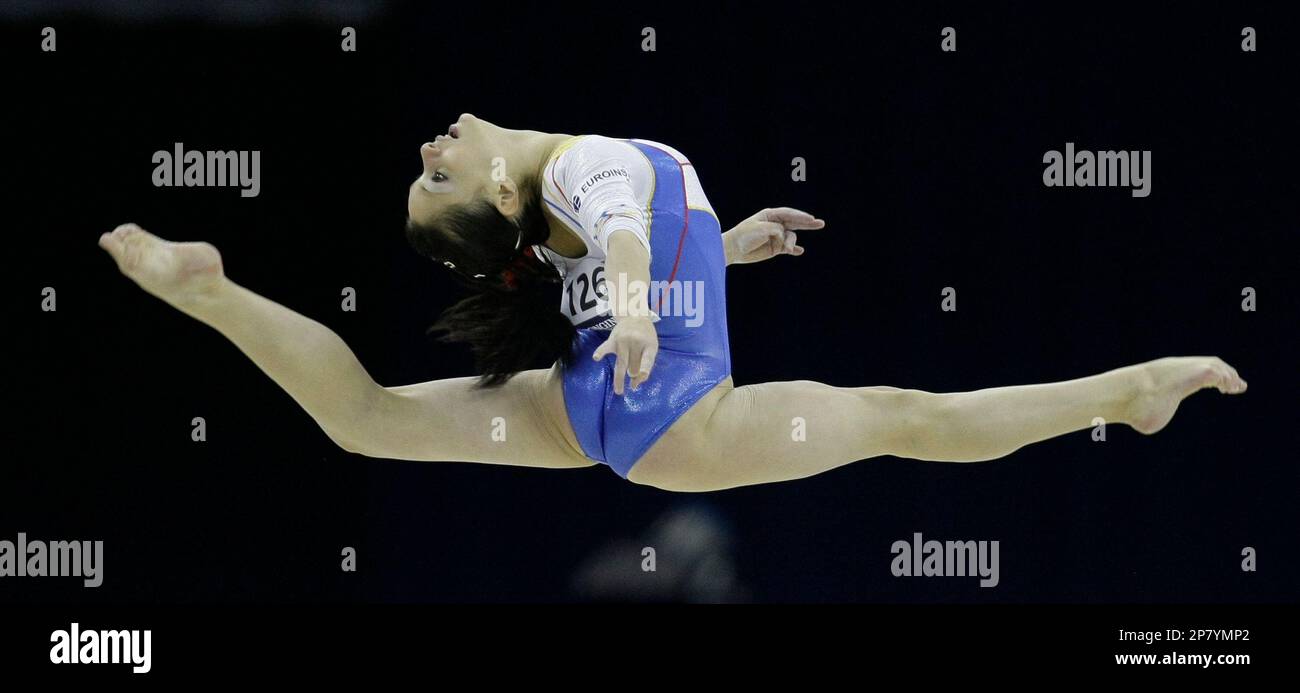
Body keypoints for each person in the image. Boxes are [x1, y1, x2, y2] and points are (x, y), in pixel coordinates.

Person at [98, 113, 1247, 492]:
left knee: (368, 420)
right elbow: (625, 233)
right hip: (665, 403)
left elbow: (619, 250)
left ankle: (209, 296)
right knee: (909, 417)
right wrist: (649, 303)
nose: (429, 145)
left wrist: (717, 252)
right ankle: (1134, 392)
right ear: (497, 189)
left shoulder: (546, 204)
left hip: (591, 405)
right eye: (435, 172)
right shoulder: (579, 169)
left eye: (424, 166)